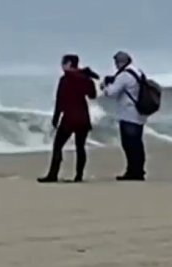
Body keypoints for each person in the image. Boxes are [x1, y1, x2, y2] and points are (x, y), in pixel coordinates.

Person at [38, 54, 99, 183]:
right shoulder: (85, 78)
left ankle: (53, 174)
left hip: (69, 118)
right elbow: (92, 96)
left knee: (58, 146)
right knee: (80, 147)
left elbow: (59, 101)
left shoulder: (65, 79)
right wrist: (88, 78)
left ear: (69, 64)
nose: (62, 66)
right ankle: (79, 176)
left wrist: (55, 118)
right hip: (83, 116)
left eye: (63, 63)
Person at [101, 50, 148, 181]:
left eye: (116, 63)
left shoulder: (124, 75)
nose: (115, 65)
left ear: (121, 62)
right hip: (139, 113)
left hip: (128, 114)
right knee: (137, 144)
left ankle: (132, 171)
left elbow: (111, 93)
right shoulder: (138, 72)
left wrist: (104, 86)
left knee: (129, 144)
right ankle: (139, 170)